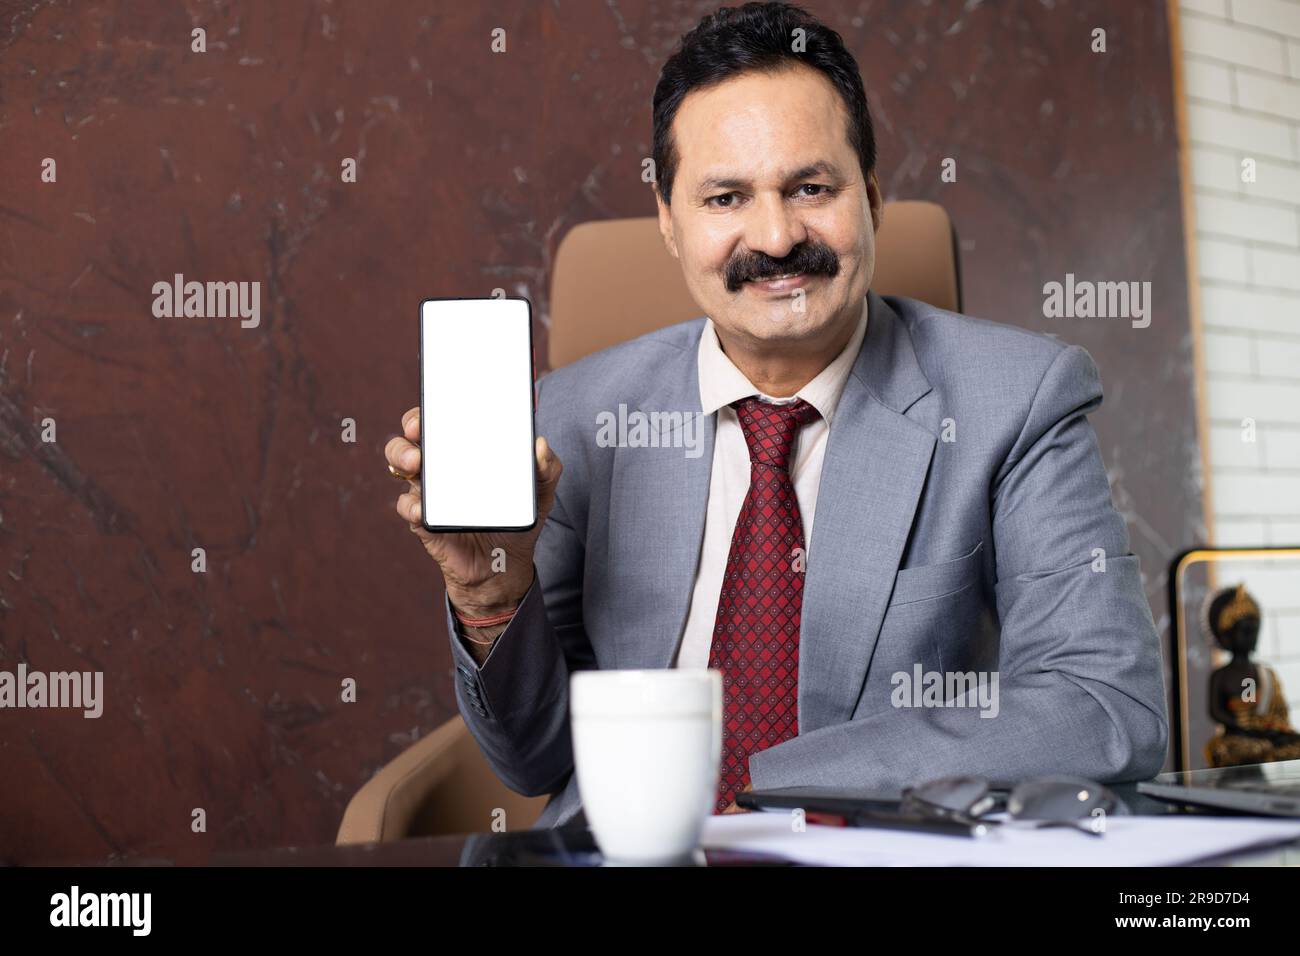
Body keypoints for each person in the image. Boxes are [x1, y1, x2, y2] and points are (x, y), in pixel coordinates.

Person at [385, 1, 1168, 828]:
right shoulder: (575, 418)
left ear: (870, 194)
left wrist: (774, 779)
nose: (776, 234)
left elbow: (1103, 706)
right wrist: (490, 596)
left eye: (810, 187)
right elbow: (537, 759)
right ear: (668, 220)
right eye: (725, 197)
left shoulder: (1018, 398)